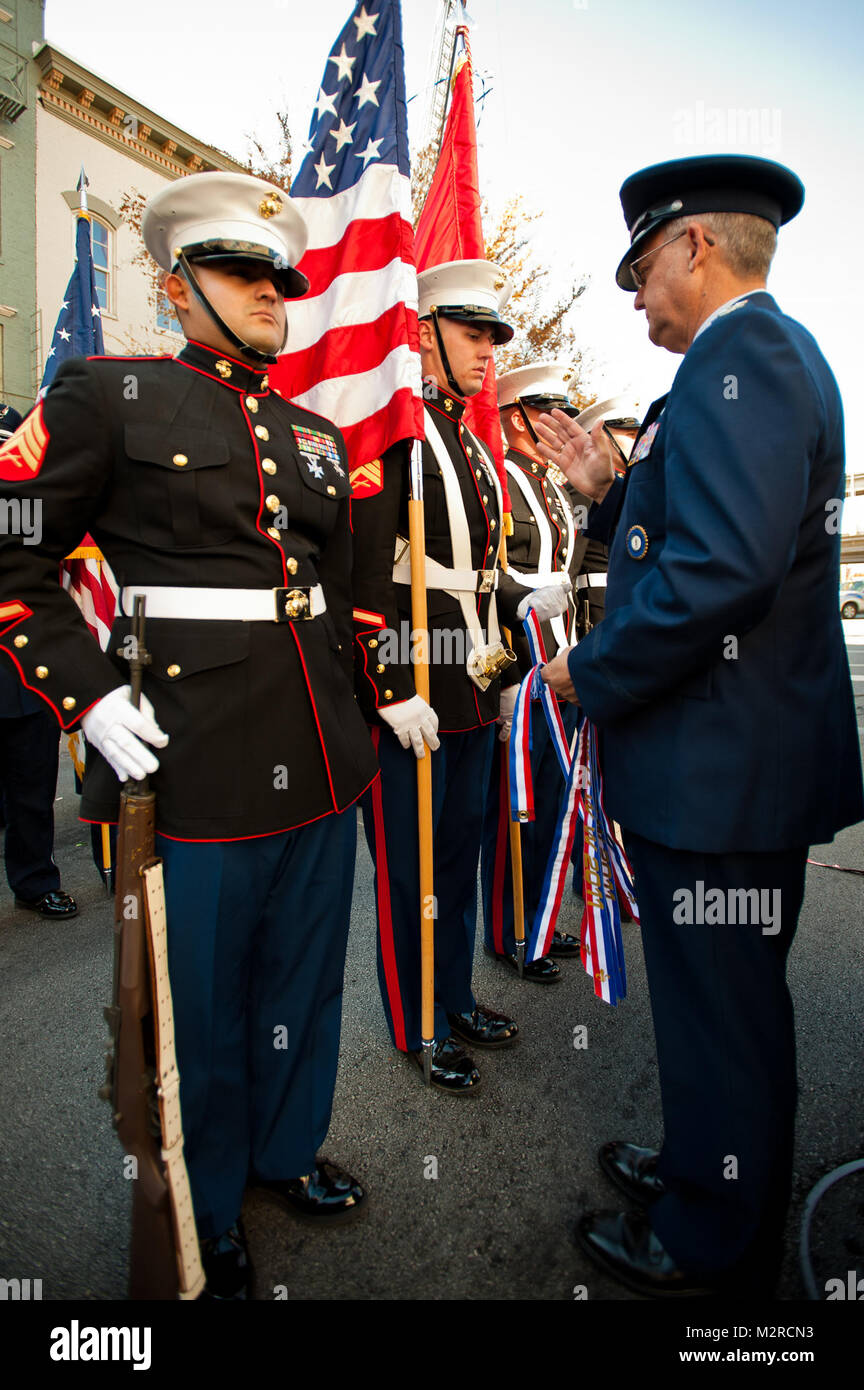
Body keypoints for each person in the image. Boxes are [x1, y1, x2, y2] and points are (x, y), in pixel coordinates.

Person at [0, 172, 380, 1298]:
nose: (271, 291)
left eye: (279, 275)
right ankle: (207, 1200)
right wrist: (85, 693)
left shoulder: (314, 432)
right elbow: (14, 543)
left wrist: (383, 697)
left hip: (327, 759)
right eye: (240, 270)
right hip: (197, 760)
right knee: (202, 1010)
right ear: (176, 289)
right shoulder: (105, 395)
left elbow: (344, 589)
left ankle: (283, 1151)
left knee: (304, 987)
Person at [538, 153, 863, 1297]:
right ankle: (698, 1167)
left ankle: (711, 1240)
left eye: (637, 269)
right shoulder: (739, 366)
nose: (632, 296)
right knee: (710, 1002)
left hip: (725, 769)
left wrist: (594, 669)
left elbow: (720, 572)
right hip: (730, 762)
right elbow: (706, 531)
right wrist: (609, 493)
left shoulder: (750, 359)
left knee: (724, 1012)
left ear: (693, 246)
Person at [351, 260, 570, 1092]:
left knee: (459, 856)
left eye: (493, 336)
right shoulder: (394, 434)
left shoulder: (473, 447)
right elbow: (364, 573)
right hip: (415, 685)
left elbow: (480, 574)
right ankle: (418, 1023)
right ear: (424, 333)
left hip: (475, 682)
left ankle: (457, 995)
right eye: (473, 334)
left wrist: (520, 631)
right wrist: (387, 685)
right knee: (411, 870)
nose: (489, 351)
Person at [479, 362, 585, 981]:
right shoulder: (497, 479)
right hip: (521, 671)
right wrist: (506, 676)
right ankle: (509, 933)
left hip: (562, 662)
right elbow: (486, 579)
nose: (565, 425)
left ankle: (539, 918)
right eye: (553, 414)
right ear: (519, 418)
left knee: (549, 799)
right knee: (513, 809)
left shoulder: (552, 488)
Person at [0, 403, 78, 923]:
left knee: (31, 785)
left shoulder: (21, 501)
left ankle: (35, 880)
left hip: (22, 662)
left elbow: (36, 564)